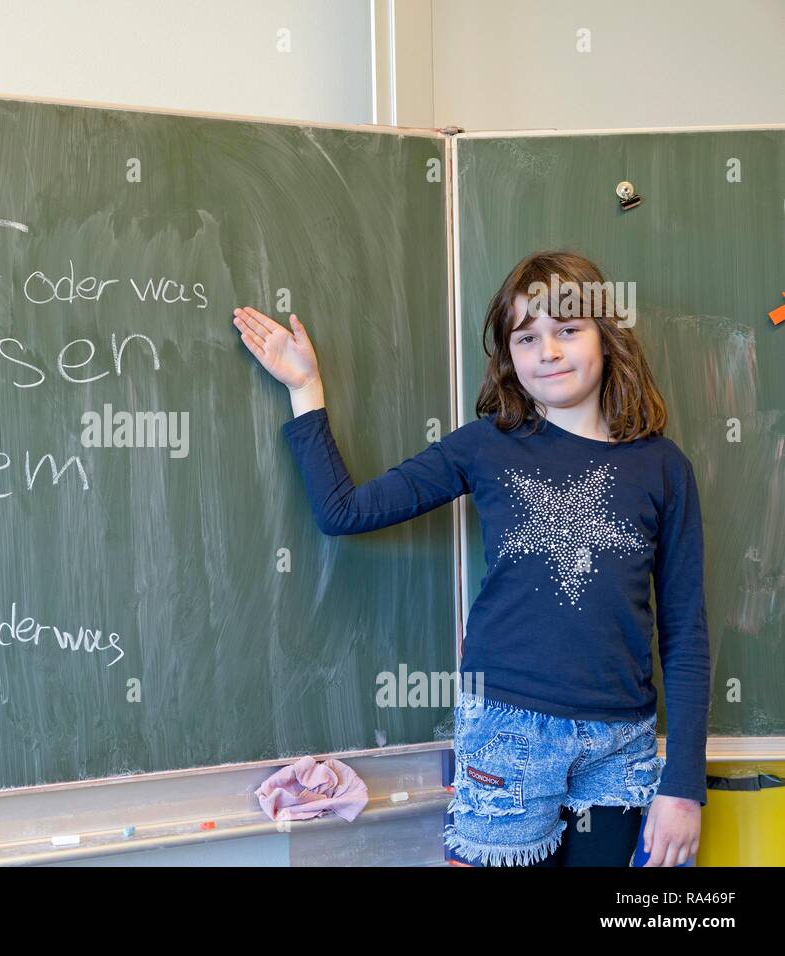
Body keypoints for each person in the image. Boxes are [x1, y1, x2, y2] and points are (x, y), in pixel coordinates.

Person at [231, 250, 709, 867]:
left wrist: (683, 785)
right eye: (527, 336)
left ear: (608, 336)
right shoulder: (485, 446)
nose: (549, 351)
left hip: (620, 746)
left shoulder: (663, 466)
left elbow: (686, 632)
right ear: (509, 355)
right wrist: (306, 388)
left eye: (568, 329)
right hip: (507, 733)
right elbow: (343, 512)